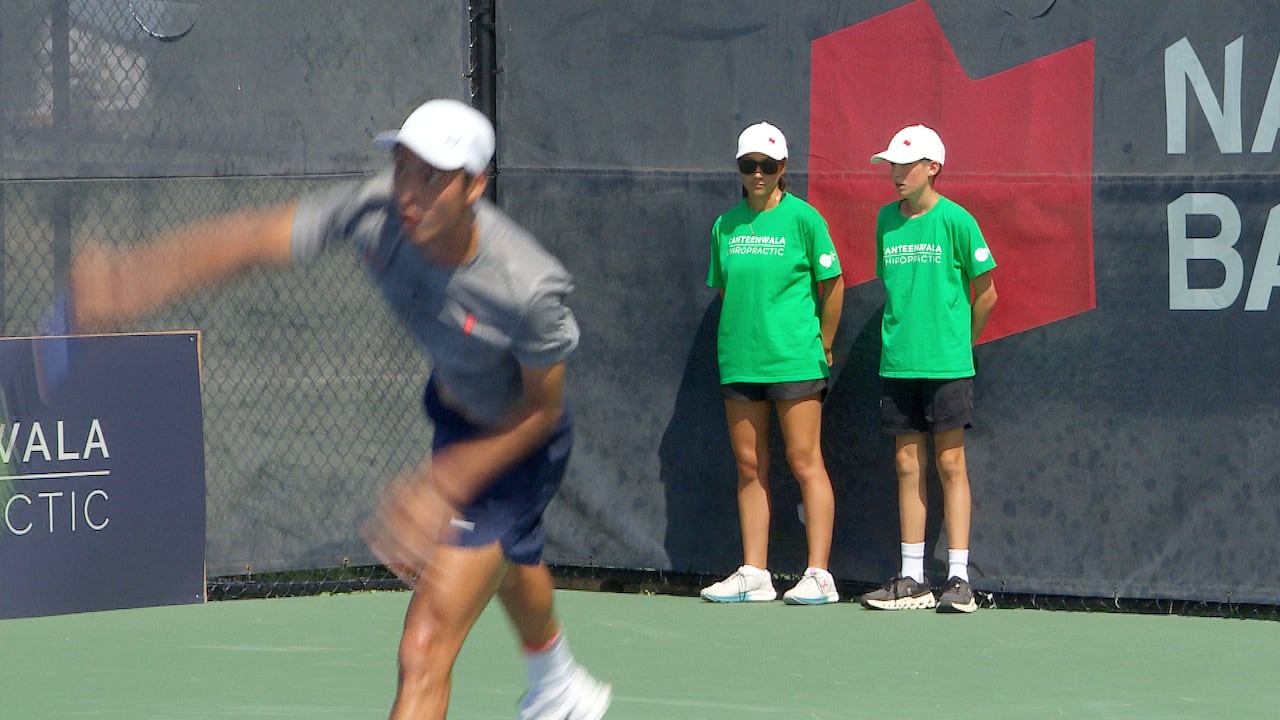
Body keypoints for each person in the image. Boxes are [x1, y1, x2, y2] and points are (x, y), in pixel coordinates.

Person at [64, 99, 611, 719]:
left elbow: (542, 413)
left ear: (475, 185)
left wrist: (445, 485)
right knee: (508, 557)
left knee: (425, 646)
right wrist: (139, 277)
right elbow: (254, 239)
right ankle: (560, 682)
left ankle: (557, 680)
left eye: (435, 176)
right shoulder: (374, 212)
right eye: (404, 167)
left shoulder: (528, 286)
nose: (411, 191)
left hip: (516, 449)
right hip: (454, 417)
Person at [700, 121, 845, 605]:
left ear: (783, 169)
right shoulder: (726, 225)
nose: (757, 174)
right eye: (748, 166)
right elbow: (727, 289)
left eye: (766, 166)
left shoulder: (805, 220)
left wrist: (824, 343)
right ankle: (755, 572)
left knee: (804, 461)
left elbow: (833, 285)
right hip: (740, 361)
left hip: (795, 359)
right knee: (748, 464)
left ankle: (819, 574)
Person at [858, 124, 998, 614]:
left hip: (947, 364)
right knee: (906, 465)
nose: (896, 173)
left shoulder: (957, 221)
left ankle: (959, 579)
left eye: (906, 164)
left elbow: (988, 294)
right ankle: (913, 577)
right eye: (892, 165)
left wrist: (960, 344)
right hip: (899, 363)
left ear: (933, 168)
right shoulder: (885, 221)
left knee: (950, 464)